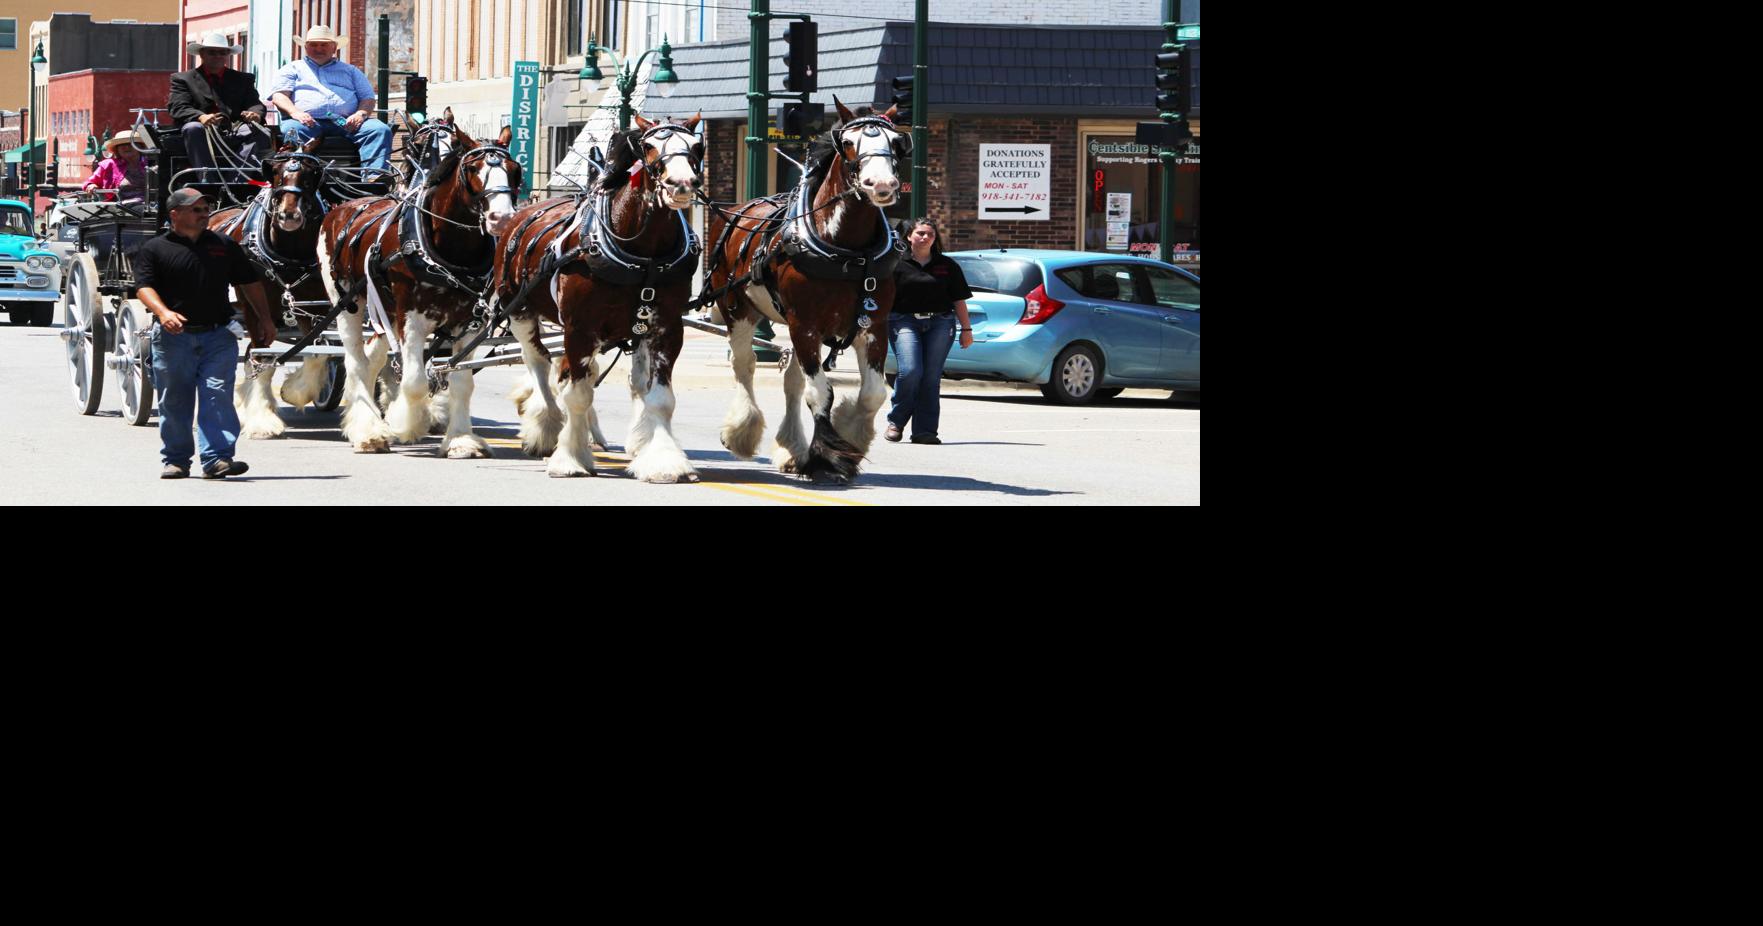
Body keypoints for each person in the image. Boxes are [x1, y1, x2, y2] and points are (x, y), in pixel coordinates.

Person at [136, 188, 278, 479]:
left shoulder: (224, 245)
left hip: (218, 335)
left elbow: (249, 283)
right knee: (175, 399)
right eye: (196, 210)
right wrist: (163, 313)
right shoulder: (155, 249)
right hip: (173, 338)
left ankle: (217, 459)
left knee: (216, 394)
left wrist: (266, 319)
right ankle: (176, 460)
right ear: (175, 214)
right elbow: (144, 287)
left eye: (205, 209)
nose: (204, 215)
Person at [886, 219, 974, 445]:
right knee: (910, 370)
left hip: (941, 323)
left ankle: (925, 431)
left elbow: (959, 300)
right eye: (920, 233)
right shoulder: (896, 263)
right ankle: (896, 422)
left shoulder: (947, 265)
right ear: (909, 236)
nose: (925, 238)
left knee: (931, 377)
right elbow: (882, 298)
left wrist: (966, 329)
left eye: (930, 235)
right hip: (904, 321)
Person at [266, 26, 392, 174]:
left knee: (379, 129)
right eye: (313, 44)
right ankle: (296, 176)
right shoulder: (291, 69)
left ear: (334, 47)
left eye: (324, 44)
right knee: (293, 130)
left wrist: (360, 114)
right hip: (306, 123)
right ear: (306, 47)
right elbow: (279, 96)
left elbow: (368, 98)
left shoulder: (351, 71)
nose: (318, 48)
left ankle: (374, 178)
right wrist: (296, 113)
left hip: (347, 122)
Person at [168, 33, 271, 181]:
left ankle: (237, 180)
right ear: (202, 54)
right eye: (212, 52)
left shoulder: (243, 79)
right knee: (193, 128)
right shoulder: (183, 79)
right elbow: (177, 107)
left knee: (261, 132)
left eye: (222, 52)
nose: (217, 56)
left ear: (228, 55)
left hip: (234, 129)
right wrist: (201, 117)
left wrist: (255, 114)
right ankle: (208, 180)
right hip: (202, 131)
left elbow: (255, 104)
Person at [82, 130, 150, 202]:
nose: (126, 147)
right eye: (122, 145)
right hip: (120, 207)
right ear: (117, 149)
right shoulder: (108, 165)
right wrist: (91, 185)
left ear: (139, 147)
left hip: (150, 205)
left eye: (130, 144)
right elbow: (88, 183)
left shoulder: (151, 163)